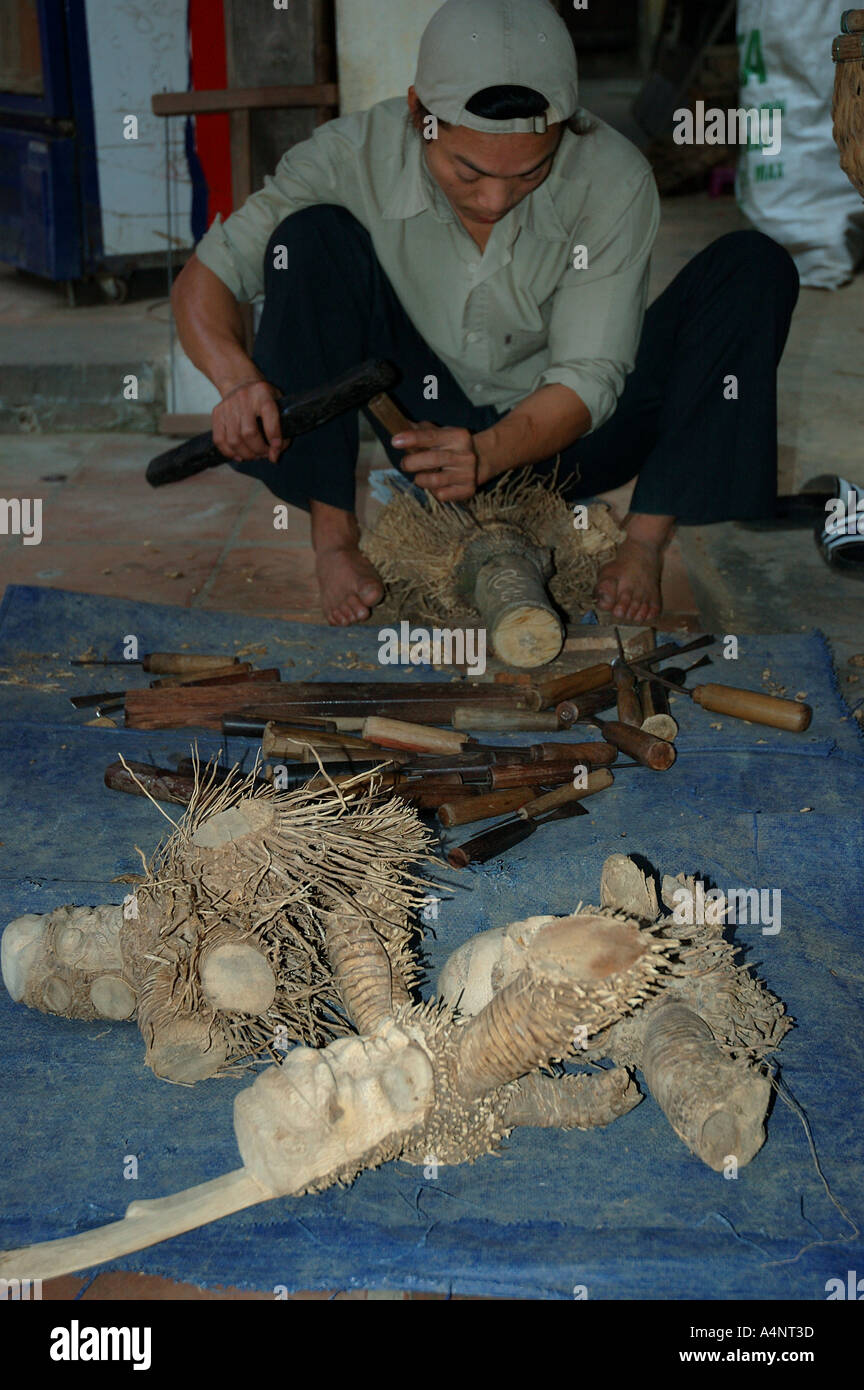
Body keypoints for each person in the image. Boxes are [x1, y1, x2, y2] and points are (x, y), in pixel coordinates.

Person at [171, 0, 798, 628]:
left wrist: (491, 451)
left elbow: (590, 376)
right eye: (467, 170)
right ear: (420, 114)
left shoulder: (613, 176)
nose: (496, 199)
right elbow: (210, 275)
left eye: (532, 171)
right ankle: (333, 541)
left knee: (752, 268)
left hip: (574, 436)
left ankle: (643, 541)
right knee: (307, 239)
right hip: (423, 424)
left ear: (567, 126)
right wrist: (236, 381)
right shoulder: (349, 155)